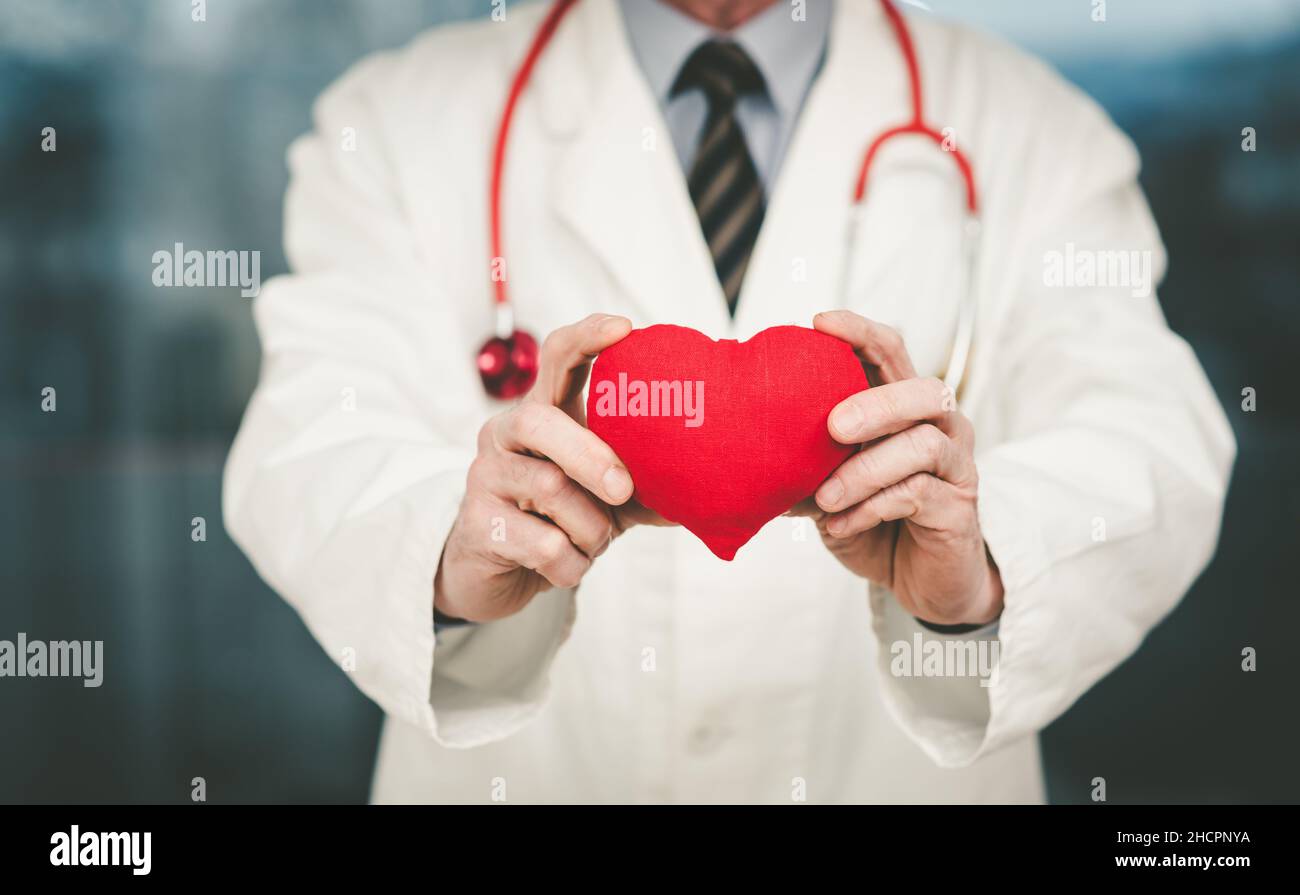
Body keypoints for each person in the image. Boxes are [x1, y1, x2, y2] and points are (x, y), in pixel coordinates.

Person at [223, 0, 1235, 803]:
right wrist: (449, 554)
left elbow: (1149, 428)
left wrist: (980, 570)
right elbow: (306, 434)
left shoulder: (1033, 125)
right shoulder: (397, 121)